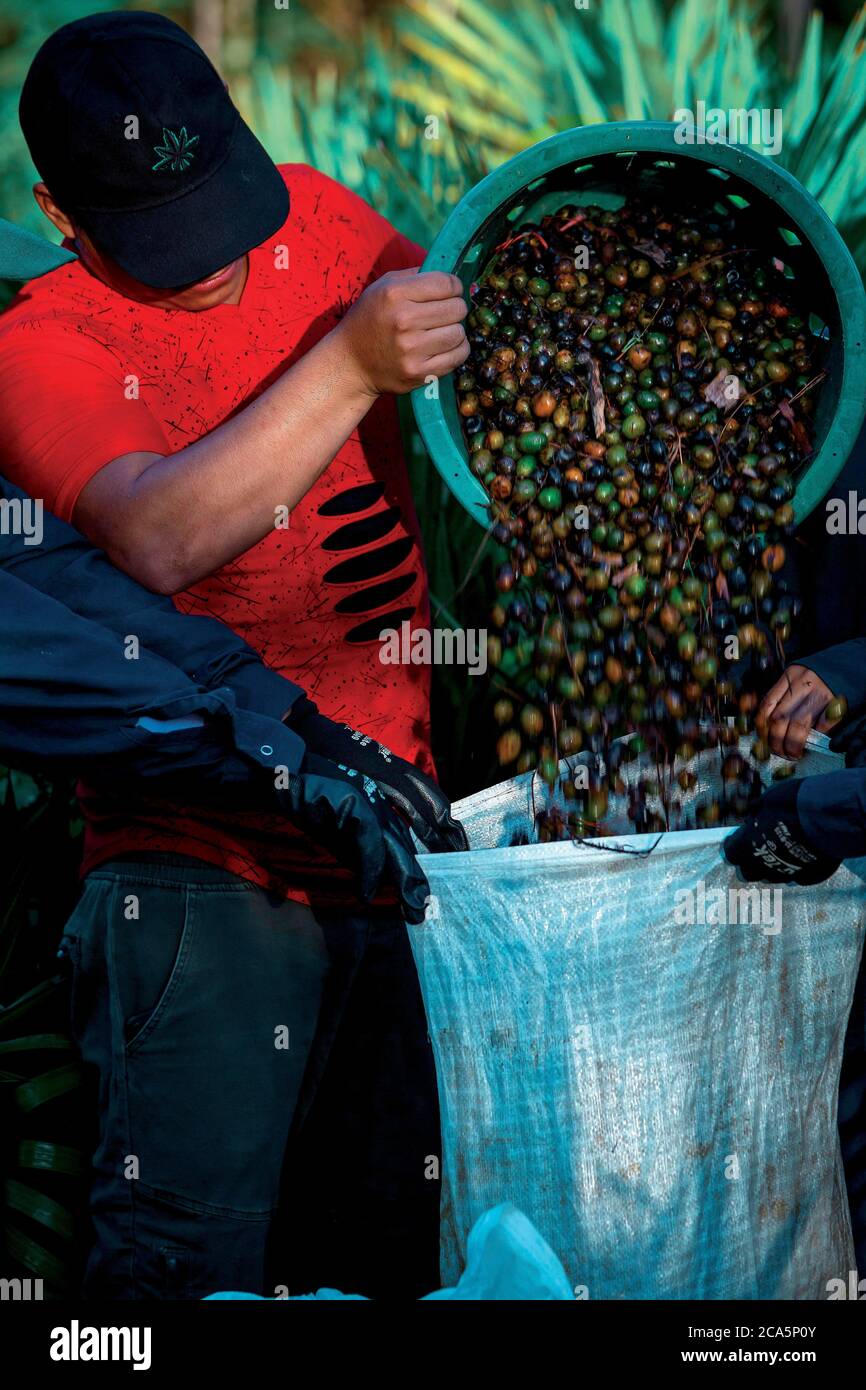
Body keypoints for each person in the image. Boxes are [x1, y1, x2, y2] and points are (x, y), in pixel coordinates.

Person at [0, 10, 469, 1299]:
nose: (218, 262)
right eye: (166, 242)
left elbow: (462, 336)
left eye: (226, 207)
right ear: (60, 212)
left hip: (396, 851)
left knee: (384, 1257)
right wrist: (350, 362)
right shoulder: (42, 343)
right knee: (184, 1266)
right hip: (205, 886)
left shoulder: (318, 214)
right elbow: (159, 534)